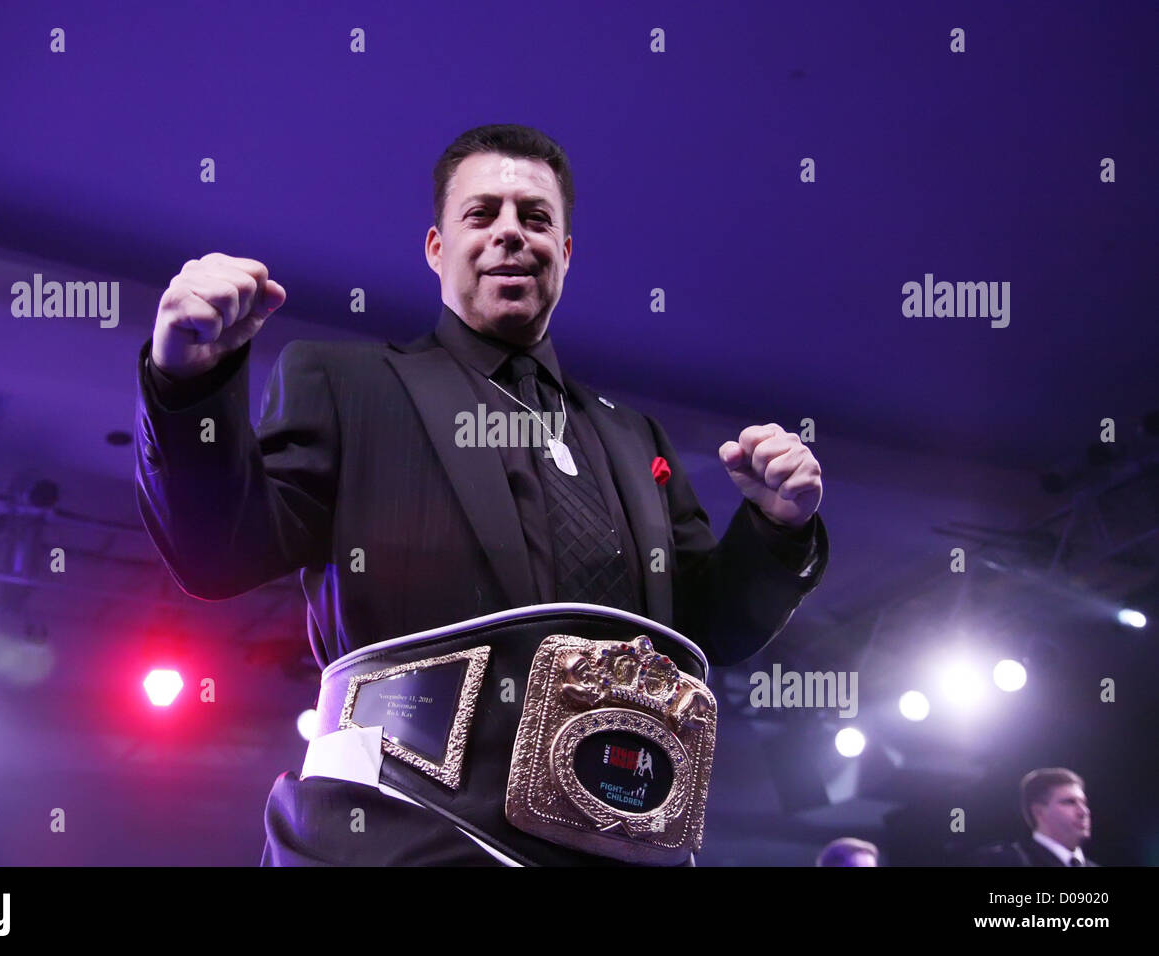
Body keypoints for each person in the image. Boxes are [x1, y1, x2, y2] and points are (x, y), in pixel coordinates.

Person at [134, 123, 830, 865]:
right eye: (482, 214)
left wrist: (776, 529)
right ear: (437, 248)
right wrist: (191, 386)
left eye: (535, 219)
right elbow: (218, 552)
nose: (510, 235)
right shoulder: (348, 384)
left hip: (622, 847)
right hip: (398, 835)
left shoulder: (637, 438)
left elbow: (710, 629)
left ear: (563, 255)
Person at [973, 767, 1098, 867]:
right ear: (1039, 812)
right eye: (1069, 802)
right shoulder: (1001, 861)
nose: (1083, 811)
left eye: (1084, 803)